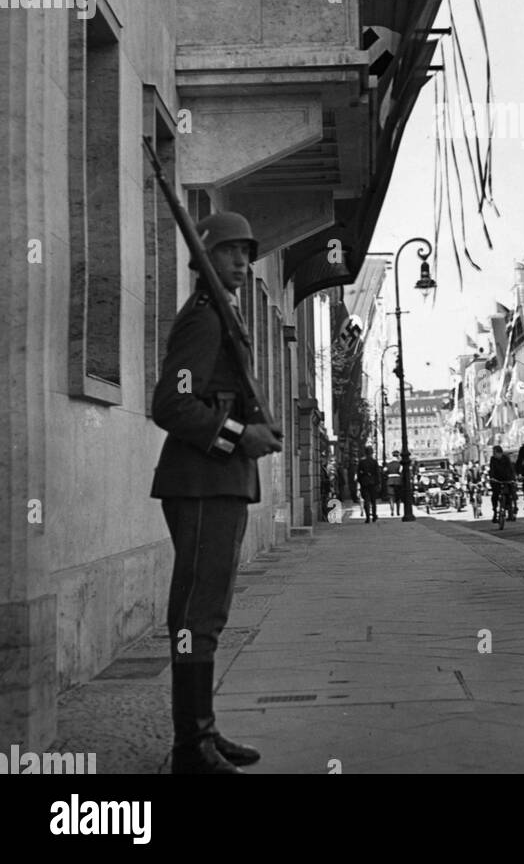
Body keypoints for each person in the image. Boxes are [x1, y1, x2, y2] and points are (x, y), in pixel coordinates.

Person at [150, 212, 282, 775]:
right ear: (204, 255)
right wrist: (239, 436)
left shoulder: (224, 315)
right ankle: (191, 748)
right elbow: (171, 405)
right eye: (229, 251)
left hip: (217, 482)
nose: (240, 262)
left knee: (207, 613)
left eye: (246, 252)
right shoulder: (204, 319)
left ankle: (201, 734)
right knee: (196, 616)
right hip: (202, 481)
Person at [488, 445, 517, 522]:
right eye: (493, 452)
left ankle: (511, 510)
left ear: (499, 453)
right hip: (497, 479)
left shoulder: (506, 458)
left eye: (495, 452)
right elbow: (492, 469)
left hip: (507, 478)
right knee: (495, 495)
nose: (493, 454)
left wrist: (512, 479)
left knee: (510, 493)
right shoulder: (493, 459)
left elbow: (511, 469)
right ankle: (495, 512)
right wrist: (491, 477)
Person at [357, 446, 381, 522]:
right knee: (373, 500)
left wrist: (360, 481)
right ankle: (374, 516)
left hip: (364, 483)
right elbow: (377, 473)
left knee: (366, 500)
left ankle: (367, 517)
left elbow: (358, 473)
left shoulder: (362, 461)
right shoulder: (374, 461)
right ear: (371, 452)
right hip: (373, 482)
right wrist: (378, 483)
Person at [386, 450, 403, 515]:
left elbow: (384, 471)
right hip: (398, 481)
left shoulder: (388, 464)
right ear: (398, 456)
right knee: (398, 497)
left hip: (390, 481)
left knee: (391, 497)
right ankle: (398, 511)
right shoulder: (399, 465)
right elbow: (401, 472)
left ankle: (392, 510)